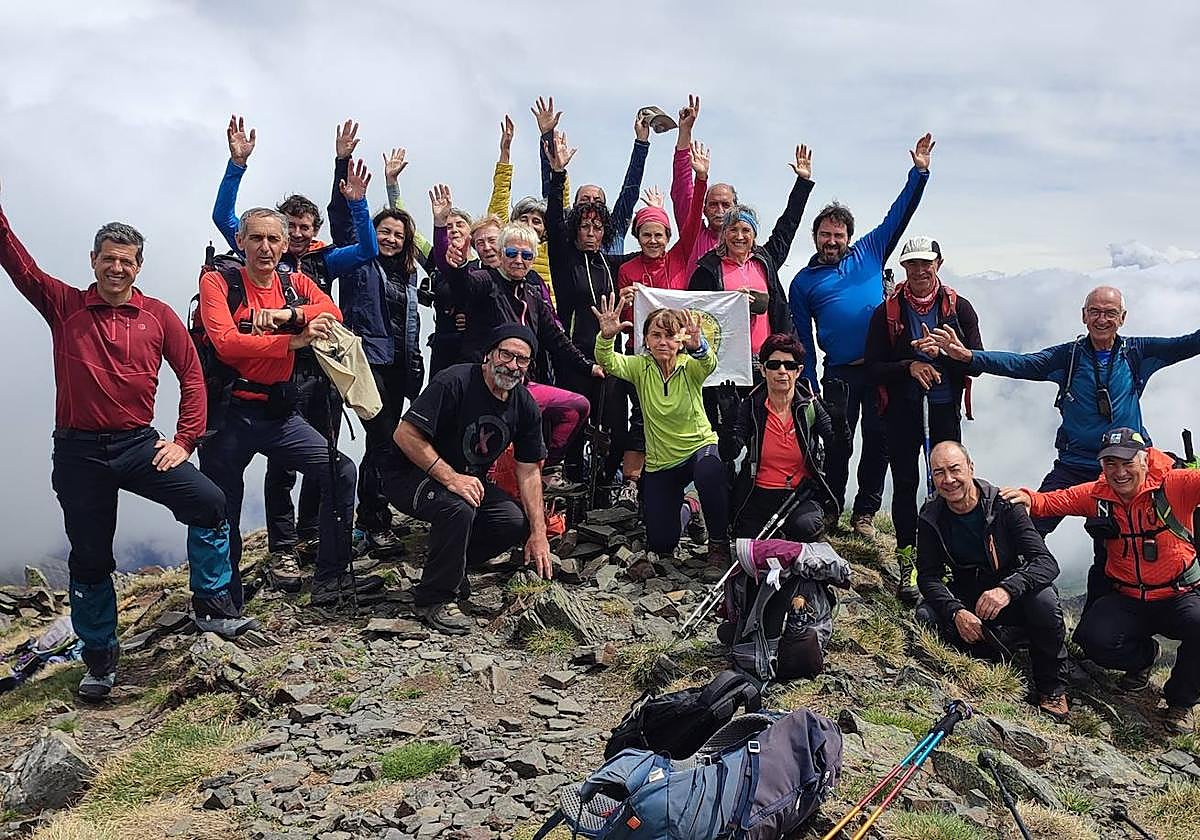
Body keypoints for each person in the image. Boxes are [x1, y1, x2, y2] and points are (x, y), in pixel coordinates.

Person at [0, 191, 257, 701]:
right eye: (108, 259)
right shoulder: (65, 304)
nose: (117, 268)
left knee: (209, 503)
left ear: (139, 266)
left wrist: (184, 440)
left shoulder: (158, 315)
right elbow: (19, 264)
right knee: (91, 558)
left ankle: (212, 607)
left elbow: (191, 375)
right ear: (93, 261)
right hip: (78, 454)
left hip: (140, 445)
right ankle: (99, 658)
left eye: (127, 261)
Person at [213, 117, 380, 570]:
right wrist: (236, 166)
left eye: (307, 227)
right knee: (279, 469)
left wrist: (360, 205)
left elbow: (366, 250)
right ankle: (282, 548)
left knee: (321, 458)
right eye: (295, 226)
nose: (301, 234)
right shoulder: (256, 257)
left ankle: (311, 540)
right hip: (264, 378)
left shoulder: (324, 260)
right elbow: (223, 217)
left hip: (315, 373)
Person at [197, 206, 381, 607]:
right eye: (257, 238)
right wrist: (293, 340)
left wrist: (287, 315)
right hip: (228, 414)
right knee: (219, 505)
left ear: (285, 244)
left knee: (339, 470)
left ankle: (330, 579)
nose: (265, 248)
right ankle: (220, 602)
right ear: (241, 241)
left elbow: (333, 312)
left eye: (273, 239)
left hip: (278, 411)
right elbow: (226, 343)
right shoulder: (219, 283)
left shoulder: (294, 282)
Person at [926, 285, 1200, 535]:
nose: (1102, 319)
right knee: (1030, 527)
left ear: (1122, 317)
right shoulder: (1068, 357)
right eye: (1095, 312)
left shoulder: (1137, 352)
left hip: (1125, 468)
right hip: (1075, 464)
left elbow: (1189, 344)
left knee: (1116, 538)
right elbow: (1022, 364)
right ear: (1083, 315)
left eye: (1110, 313)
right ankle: (1011, 584)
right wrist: (971, 357)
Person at [1002, 429, 1200, 734]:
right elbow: (1056, 501)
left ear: (1145, 460)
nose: (1119, 472)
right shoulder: (1098, 494)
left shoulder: (1174, 486)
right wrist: (1028, 498)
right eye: (1110, 463)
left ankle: (1181, 702)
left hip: (1179, 594)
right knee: (1093, 640)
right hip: (1129, 598)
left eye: (1126, 462)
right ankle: (1143, 660)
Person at [788, 133, 936, 540]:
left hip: (881, 369)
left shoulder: (870, 251)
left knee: (879, 441)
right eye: (825, 234)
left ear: (848, 237)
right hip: (839, 372)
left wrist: (918, 174)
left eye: (838, 235)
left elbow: (898, 216)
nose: (832, 241)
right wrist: (810, 385)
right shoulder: (803, 283)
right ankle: (833, 507)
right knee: (837, 444)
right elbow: (802, 337)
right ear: (815, 237)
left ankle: (865, 513)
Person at [384, 325, 553, 635]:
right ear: (488, 354)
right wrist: (450, 478)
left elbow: (529, 470)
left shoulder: (524, 405)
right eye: (506, 355)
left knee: (512, 520)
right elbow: (404, 434)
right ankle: (434, 599)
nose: (513, 365)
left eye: (522, 360)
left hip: (466, 479)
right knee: (457, 506)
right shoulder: (455, 380)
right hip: (408, 473)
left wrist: (538, 532)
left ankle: (451, 564)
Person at [430, 188, 602, 475]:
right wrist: (453, 257)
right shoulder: (485, 280)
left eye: (526, 254)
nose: (519, 260)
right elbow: (459, 285)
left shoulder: (534, 292)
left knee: (577, 407)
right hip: (485, 386)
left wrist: (589, 366)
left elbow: (557, 339)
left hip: (523, 386)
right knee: (488, 457)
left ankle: (545, 469)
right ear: (500, 253)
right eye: (511, 253)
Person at [917, 442, 1070, 721]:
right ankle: (987, 652)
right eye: (939, 473)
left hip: (1012, 591)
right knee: (926, 615)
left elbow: (1046, 563)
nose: (948, 480)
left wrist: (1007, 590)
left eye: (955, 470)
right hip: (970, 595)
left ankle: (1051, 687)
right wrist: (956, 611)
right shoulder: (931, 515)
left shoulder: (1004, 506)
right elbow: (928, 576)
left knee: (1045, 602)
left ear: (971, 468)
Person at [867, 236, 982, 600]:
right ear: (904, 267)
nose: (919, 270)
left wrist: (945, 354)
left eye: (925, 263)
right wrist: (910, 365)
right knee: (905, 482)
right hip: (903, 411)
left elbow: (977, 362)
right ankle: (908, 559)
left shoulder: (959, 309)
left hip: (944, 409)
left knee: (950, 482)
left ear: (938, 263)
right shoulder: (887, 312)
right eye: (912, 264)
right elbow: (873, 367)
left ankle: (948, 557)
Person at [330, 157, 425, 554]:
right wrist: (342, 168)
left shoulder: (407, 274)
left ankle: (373, 518)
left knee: (384, 443)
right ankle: (371, 522)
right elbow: (343, 222)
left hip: (401, 367)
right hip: (369, 364)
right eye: (383, 231)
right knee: (383, 440)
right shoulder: (359, 263)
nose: (390, 239)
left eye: (397, 235)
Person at [592, 293, 729, 563]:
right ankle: (690, 506)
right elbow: (608, 362)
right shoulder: (640, 368)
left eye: (670, 335)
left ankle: (718, 543)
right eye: (656, 335)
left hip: (697, 449)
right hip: (661, 462)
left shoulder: (690, 367)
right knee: (661, 544)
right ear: (646, 341)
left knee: (710, 470)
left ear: (680, 341)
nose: (663, 342)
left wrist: (699, 346)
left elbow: (709, 364)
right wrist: (606, 337)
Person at [689, 142, 814, 353]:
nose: (739, 236)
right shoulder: (707, 269)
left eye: (746, 231)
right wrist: (730, 303)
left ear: (754, 234)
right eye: (733, 230)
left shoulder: (765, 260)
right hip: (724, 362)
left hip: (766, 360)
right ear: (724, 234)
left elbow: (787, 225)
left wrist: (802, 183)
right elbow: (696, 314)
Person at [721, 334, 842, 542]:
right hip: (758, 493)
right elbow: (728, 452)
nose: (782, 371)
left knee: (805, 528)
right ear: (763, 369)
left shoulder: (811, 405)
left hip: (799, 495)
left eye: (789, 365)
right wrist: (729, 423)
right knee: (749, 540)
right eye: (774, 365)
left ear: (799, 371)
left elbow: (839, 450)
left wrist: (841, 423)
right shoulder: (751, 407)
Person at [530, 97, 653, 256]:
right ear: (573, 207)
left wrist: (641, 142)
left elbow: (630, 190)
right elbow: (551, 190)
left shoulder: (615, 230)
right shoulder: (565, 234)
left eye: (597, 201)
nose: (591, 204)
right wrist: (547, 135)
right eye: (584, 200)